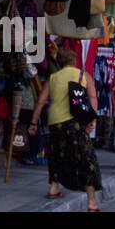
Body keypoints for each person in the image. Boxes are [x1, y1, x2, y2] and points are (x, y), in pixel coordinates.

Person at [29, 44, 102, 211]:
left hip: (56, 122)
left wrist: (33, 123)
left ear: (59, 61)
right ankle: (91, 201)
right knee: (86, 158)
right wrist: (93, 120)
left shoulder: (53, 78)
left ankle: (54, 188)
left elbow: (41, 101)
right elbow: (92, 97)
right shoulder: (83, 75)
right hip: (76, 121)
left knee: (57, 154)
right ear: (74, 60)